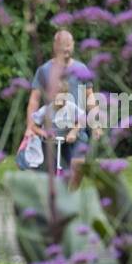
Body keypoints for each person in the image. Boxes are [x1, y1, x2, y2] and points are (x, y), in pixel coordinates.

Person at [19, 30, 100, 176]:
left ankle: (72, 197)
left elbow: (90, 98)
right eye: (63, 45)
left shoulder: (81, 69)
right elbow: (34, 100)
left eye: (69, 45)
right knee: (49, 174)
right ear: (55, 46)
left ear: (73, 45)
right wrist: (30, 127)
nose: (66, 48)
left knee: (77, 168)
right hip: (51, 134)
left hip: (76, 131)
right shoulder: (44, 70)